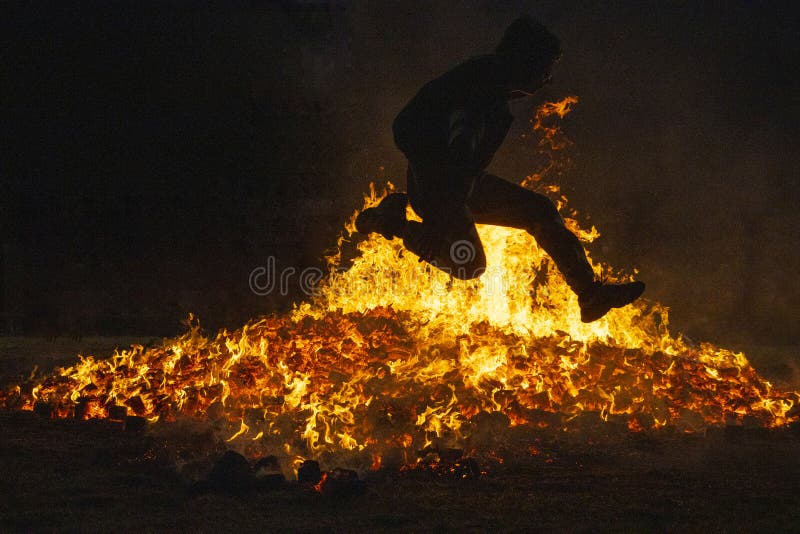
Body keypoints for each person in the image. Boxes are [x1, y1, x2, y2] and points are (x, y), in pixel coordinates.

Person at [355, 16, 644, 323]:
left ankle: (590, 294)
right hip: (442, 188)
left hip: (459, 182)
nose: (547, 79)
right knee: (469, 264)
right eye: (545, 68)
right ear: (524, 61)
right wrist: (441, 218)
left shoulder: (489, 87)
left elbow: (456, 156)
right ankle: (391, 222)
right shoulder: (479, 92)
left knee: (540, 211)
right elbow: (456, 147)